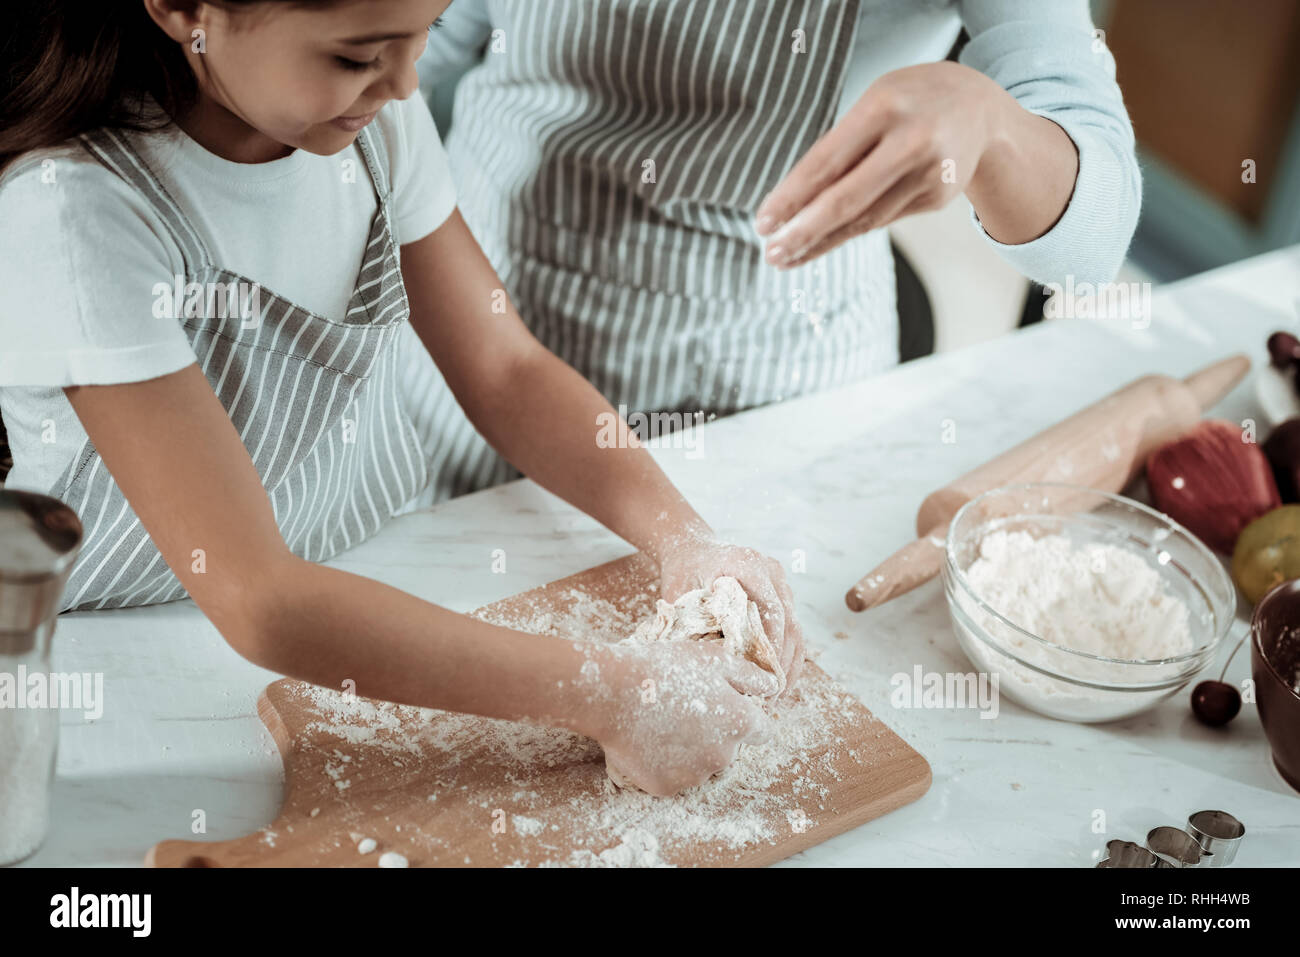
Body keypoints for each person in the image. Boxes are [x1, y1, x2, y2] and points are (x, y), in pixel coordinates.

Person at [0, 0, 803, 796]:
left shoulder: (374, 125)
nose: (405, 82)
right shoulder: (79, 212)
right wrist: (616, 692)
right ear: (182, 10)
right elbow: (263, 601)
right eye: (357, 57)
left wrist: (685, 540)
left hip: (369, 592)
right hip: (133, 674)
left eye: (430, 38)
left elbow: (505, 369)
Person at [407, 0, 1142, 498]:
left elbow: (1091, 245)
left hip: (774, 386)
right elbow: (416, 35)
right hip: (471, 318)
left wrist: (994, 128)